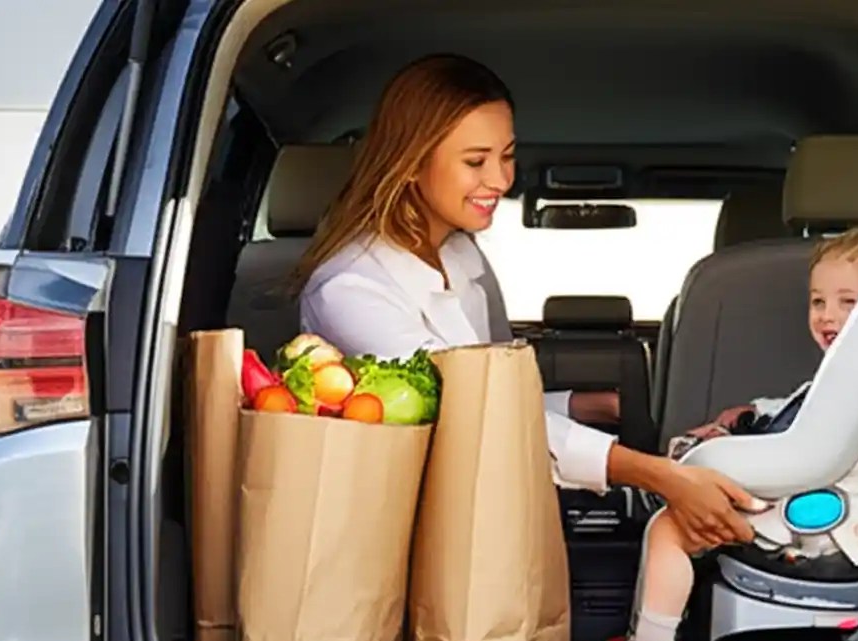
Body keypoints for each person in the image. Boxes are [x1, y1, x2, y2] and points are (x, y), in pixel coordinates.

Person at [293, 53, 763, 551]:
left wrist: (593, 406)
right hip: (392, 540)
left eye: (507, 155)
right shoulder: (349, 290)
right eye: (475, 161)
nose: (500, 180)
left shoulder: (461, 256)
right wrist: (658, 475)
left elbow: (496, 396)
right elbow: (474, 417)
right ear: (410, 164)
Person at [581, 223, 858, 641]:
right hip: (838, 497)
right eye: (818, 301)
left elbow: (814, 447)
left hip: (832, 527)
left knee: (673, 526)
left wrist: (716, 461)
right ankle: (647, 635)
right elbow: (810, 411)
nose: (827, 316)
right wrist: (752, 414)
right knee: (694, 514)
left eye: (848, 302)